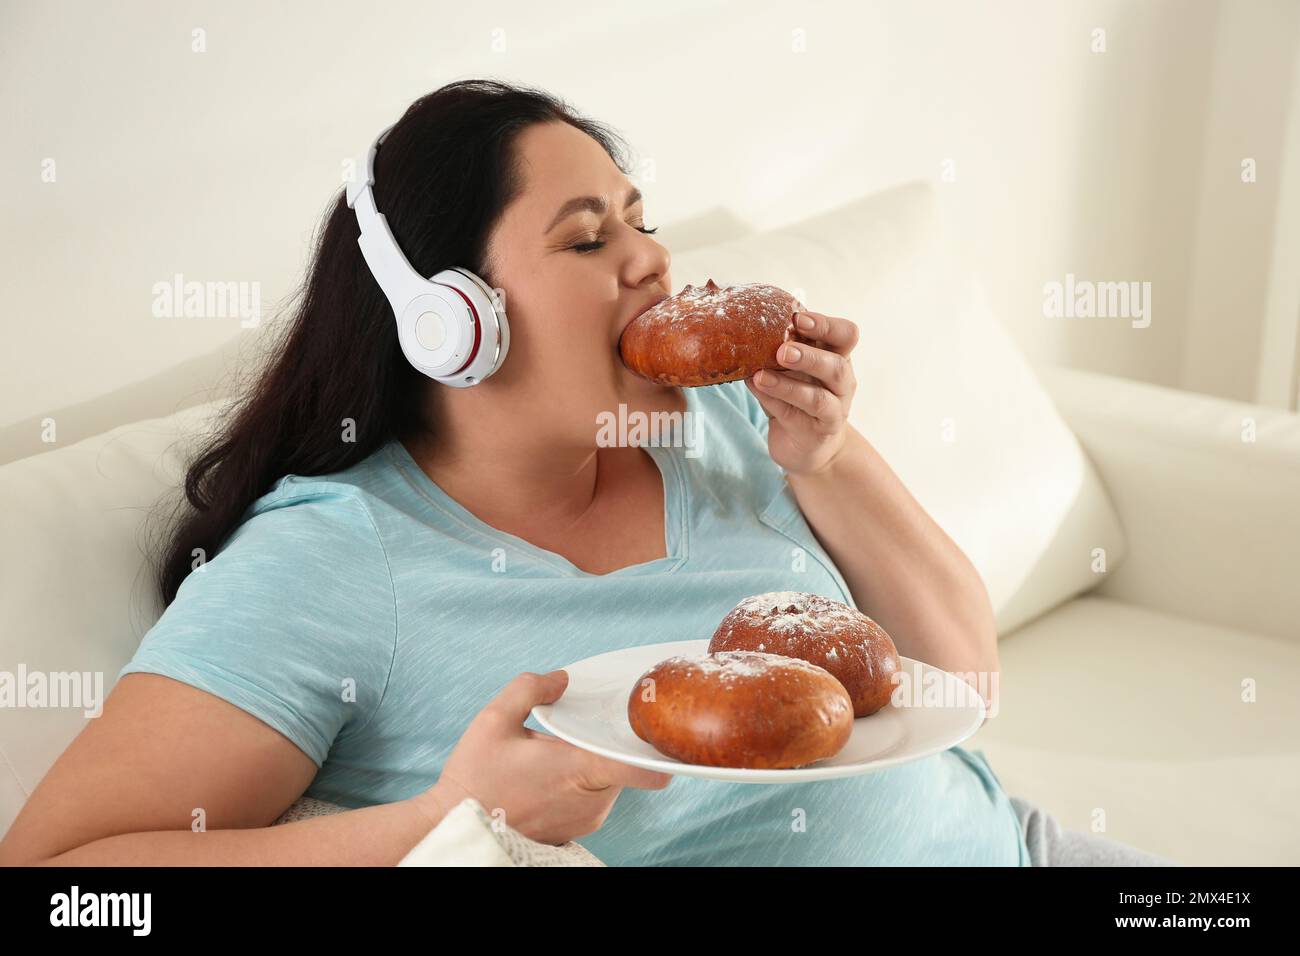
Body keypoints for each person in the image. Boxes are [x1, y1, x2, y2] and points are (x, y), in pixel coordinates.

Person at [0, 79, 1166, 867]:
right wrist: (441, 820)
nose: (653, 260)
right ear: (451, 322)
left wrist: (830, 457)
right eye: (586, 236)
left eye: (640, 220)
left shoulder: (720, 425)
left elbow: (962, 677)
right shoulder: (332, 558)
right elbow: (62, 878)